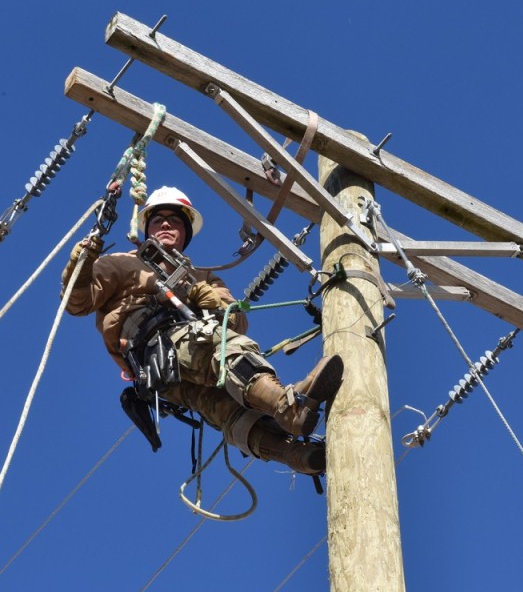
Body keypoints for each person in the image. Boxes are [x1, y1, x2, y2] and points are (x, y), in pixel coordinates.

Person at [60, 186, 343, 475]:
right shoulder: (122, 263)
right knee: (224, 348)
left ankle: (295, 455)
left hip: (174, 371)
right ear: (148, 229)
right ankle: (289, 406)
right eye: (159, 220)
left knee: (225, 408)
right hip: (156, 348)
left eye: (175, 220)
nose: (167, 224)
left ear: (185, 233)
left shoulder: (203, 276)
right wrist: (81, 261)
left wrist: (208, 297)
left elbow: (236, 322)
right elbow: (77, 301)